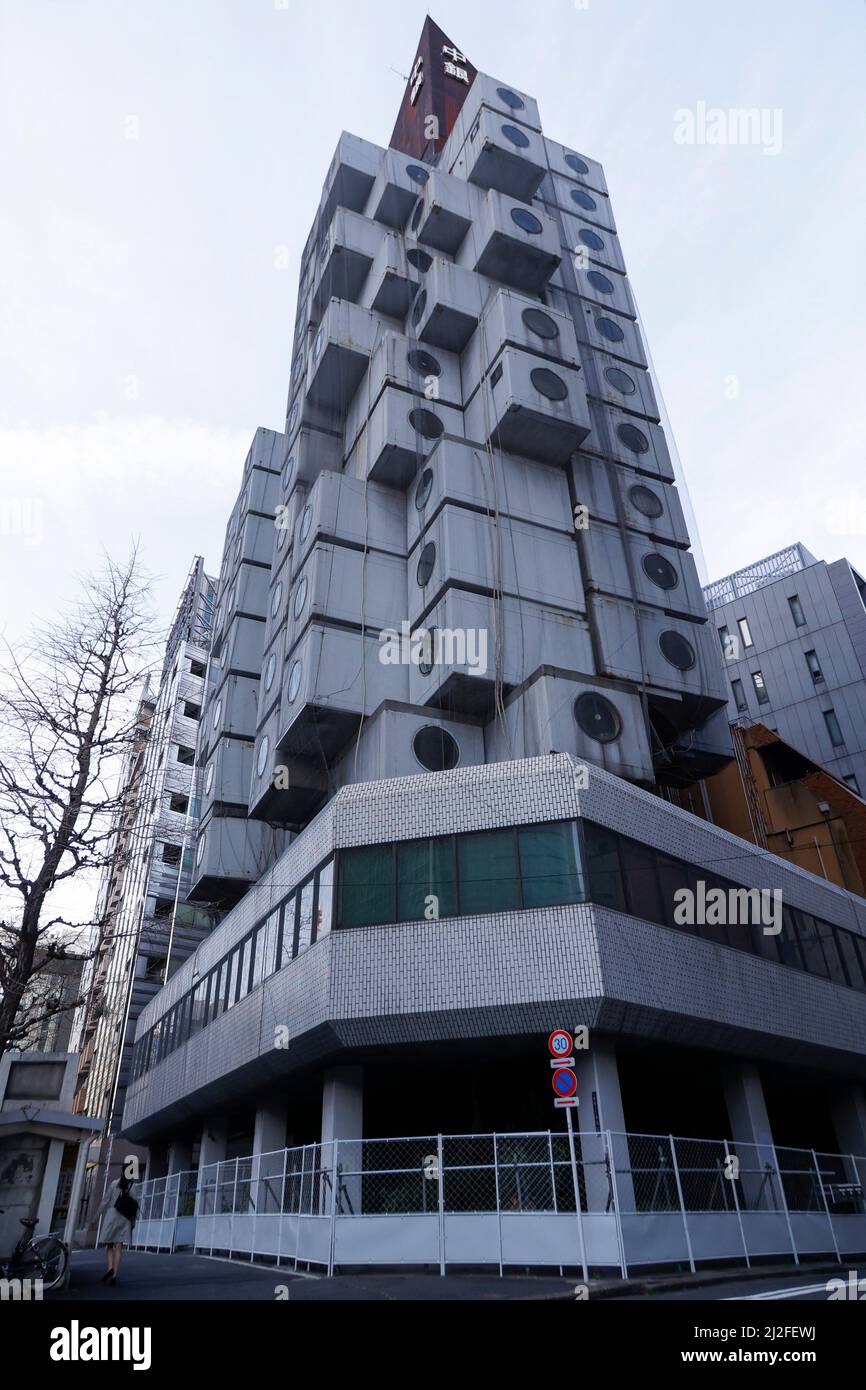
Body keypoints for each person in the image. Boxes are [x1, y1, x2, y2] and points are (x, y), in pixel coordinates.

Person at [98, 1173, 136, 1286]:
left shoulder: (114, 1183)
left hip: (112, 1216)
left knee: (109, 1245)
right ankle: (114, 1275)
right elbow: (135, 1206)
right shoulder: (132, 1186)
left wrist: (94, 1218)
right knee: (119, 1246)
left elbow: (104, 1201)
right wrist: (133, 1222)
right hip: (124, 1218)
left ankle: (110, 1268)